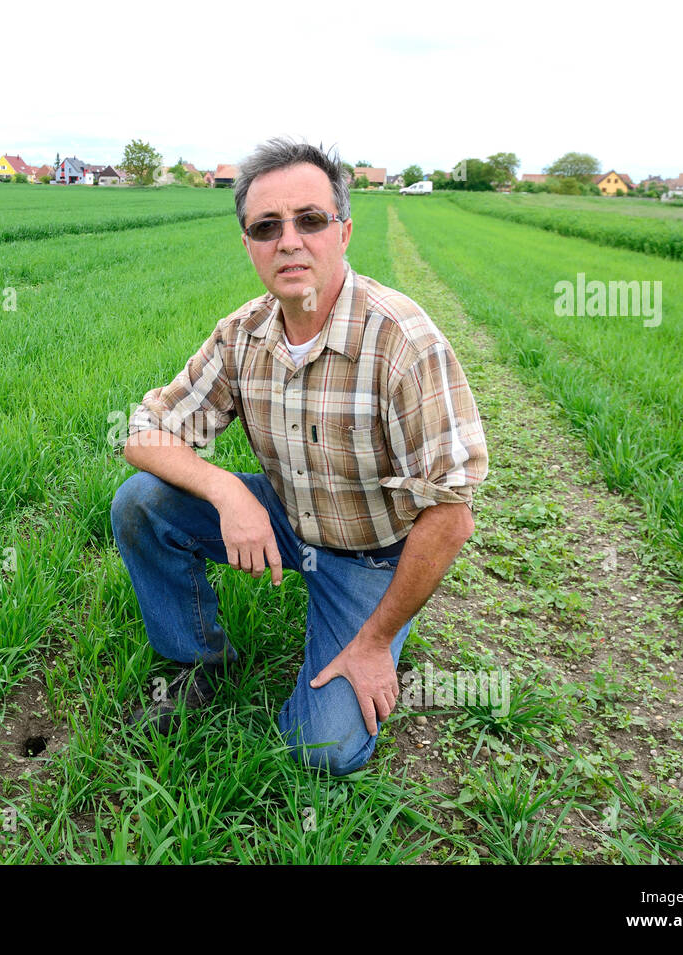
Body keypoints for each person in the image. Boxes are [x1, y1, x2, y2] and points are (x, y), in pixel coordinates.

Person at [110, 137, 488, 776]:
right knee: (143, 504)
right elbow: (143, 430)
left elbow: (452, 516)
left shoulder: (403, 341)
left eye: (309, 220)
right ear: (249, 244)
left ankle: (382, 628)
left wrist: (370, 644)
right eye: (267, 227)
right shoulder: (243, 335)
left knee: (320, 752)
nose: (289, 240)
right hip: (290, 516)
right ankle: (197, 662)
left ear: (343, 231)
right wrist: (230, 494)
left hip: (377, 550)